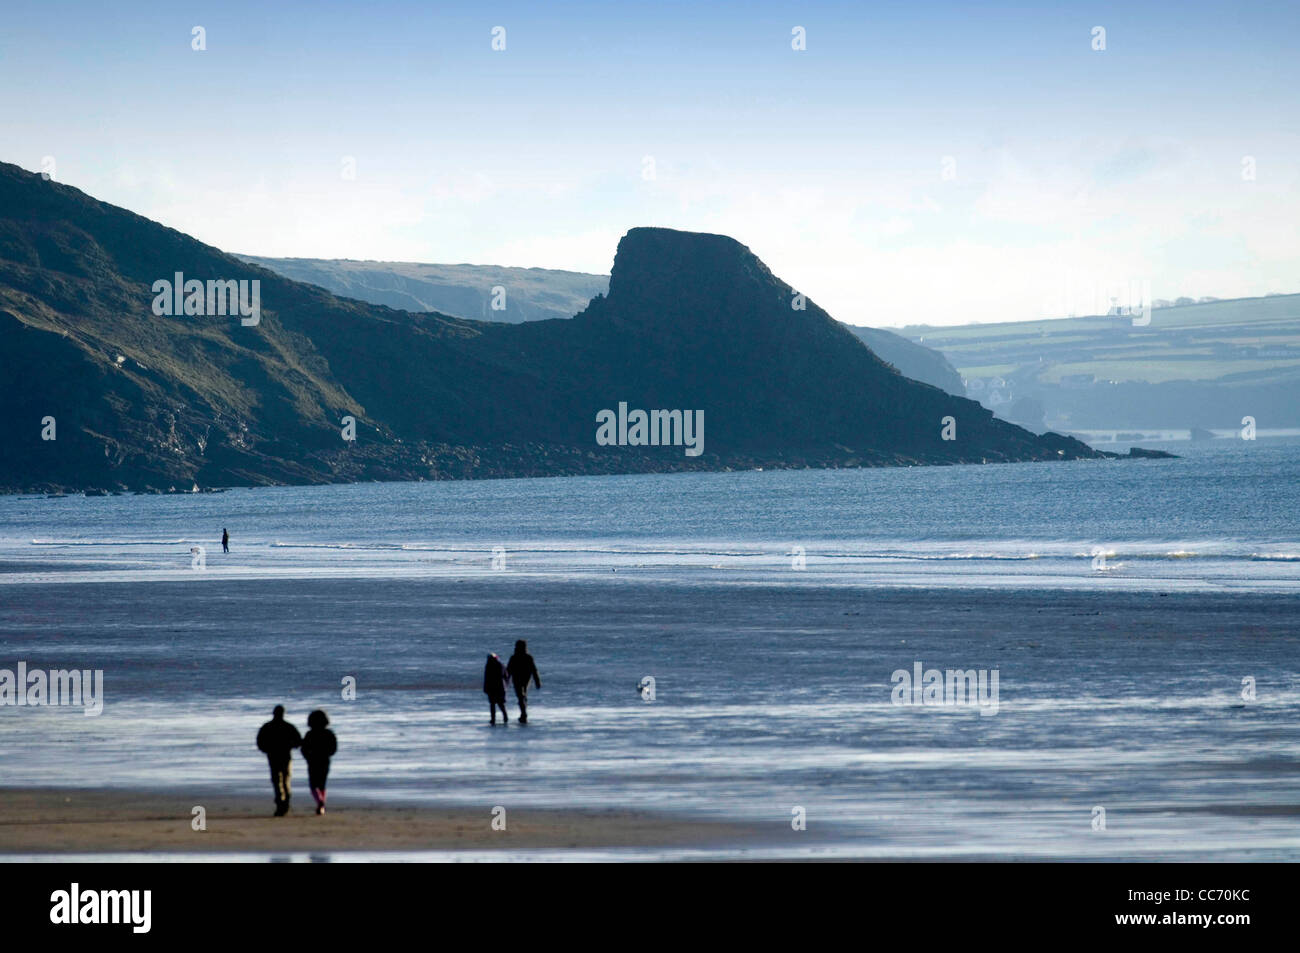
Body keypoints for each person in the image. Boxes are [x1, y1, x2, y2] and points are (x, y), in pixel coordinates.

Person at [256, 705, 302, 816]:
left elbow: (260, 741)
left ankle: (281, 802)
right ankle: (285, 802)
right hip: (285, 756)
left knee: (277, 781)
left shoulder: (267, 727)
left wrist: (266, 749)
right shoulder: (288, 727)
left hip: (273, 757)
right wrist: (290, 746)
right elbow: (298, 741)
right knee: (285, 780)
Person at [300, 710, 337, 816]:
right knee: (322, 784)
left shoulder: (310, 734)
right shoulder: (329, 733)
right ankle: (321, 805)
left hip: (313, 761)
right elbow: (333, 748)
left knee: (313, 785)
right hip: (325, 760)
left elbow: (304, 749)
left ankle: (320, 802)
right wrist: (327, 754)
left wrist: (307, 757)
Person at [506, 640, 541, 724]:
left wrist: (506, 680)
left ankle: (523, 713)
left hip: (519, 678)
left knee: (520, 695)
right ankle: (523, 712)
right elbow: (534, 670)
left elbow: (508, 670)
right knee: (522, 695)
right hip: (525, 678)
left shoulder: (515, 657)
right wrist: (537, 681)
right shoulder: (527, 657)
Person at [484, 653, 508, 725]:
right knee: (500, 703)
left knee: (493, 704)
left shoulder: (489, 666)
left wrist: (485, 688)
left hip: (492, 688)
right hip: (500, 687)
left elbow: (487, 678)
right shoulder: (500, 665)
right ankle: (505, 716)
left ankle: (493, 719)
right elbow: (506, 676)